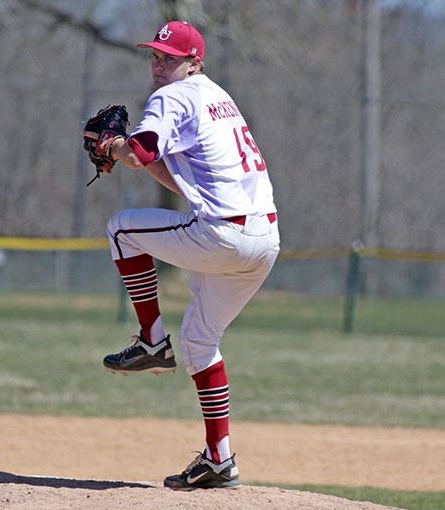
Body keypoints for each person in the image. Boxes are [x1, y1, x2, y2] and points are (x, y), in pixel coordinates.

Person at [100, 20, 280, 490]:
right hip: (264, 241)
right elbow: (175, 175)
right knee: (201, 343)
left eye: (170, 57)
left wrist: (113, 146)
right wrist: (127, 153)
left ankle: (150, 341)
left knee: (121, 230)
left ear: (194, 62)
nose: (159, 64)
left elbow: (137, 153)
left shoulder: (172, 97)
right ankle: (220, 460)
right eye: (155, 56)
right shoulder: (218, 96)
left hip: (222, 234)